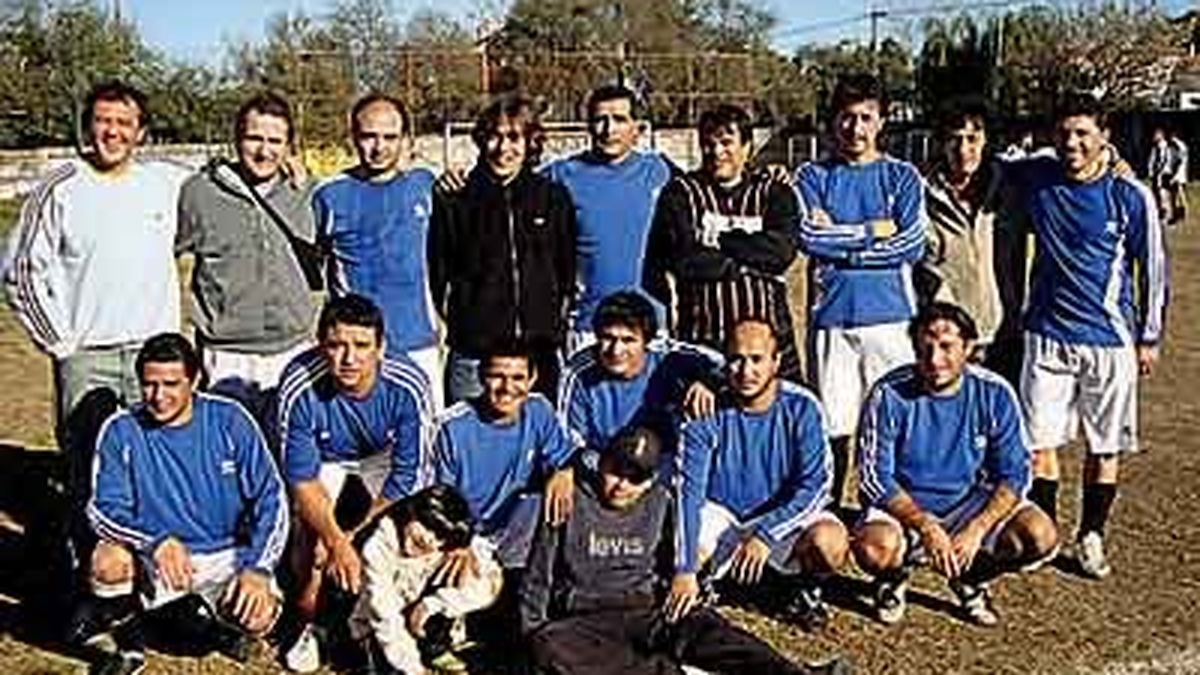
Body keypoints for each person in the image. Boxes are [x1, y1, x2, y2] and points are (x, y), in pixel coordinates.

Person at [521, 426, 845, 675]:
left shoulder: (661, 502)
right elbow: (538, 576)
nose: (621, 484)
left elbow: (672, 564)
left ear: (649, 481)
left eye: (635, 478)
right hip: (586, 619)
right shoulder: (568, 500)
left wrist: (683, 586)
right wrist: (531, 631)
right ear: (601, 462)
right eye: (615, 470)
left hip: (648, 610)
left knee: (713, 632)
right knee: (549, 647)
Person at [1014, 94, 1167, 580]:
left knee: (1104, 447)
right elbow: (986, 160)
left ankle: (1092, 537)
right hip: (1045, 334)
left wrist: (1150, 336)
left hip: (1108, 339)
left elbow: (1154, 270)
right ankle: (1045, 534)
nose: (1072, 142)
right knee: (1039, 443)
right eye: (1064, 133)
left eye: (1083, 132)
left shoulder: (1129, 195)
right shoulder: (1037, 176)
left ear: (1104, 136)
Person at [73, 333, 288, 674]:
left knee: (257, 617)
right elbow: (101, 510)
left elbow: (271, 498)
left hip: (227, 553)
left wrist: (259, 568)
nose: (158, 397)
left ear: (196, 379)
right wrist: (153, 540)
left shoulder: (230, 420)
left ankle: (206, 627)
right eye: (149, 385)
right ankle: (129, 640)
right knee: (107, 560)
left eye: (171, 384)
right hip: (157, 559)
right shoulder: (121, 430)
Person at [3, 80, 189, 449]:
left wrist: (289, 172)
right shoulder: (60, 189)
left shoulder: (168, 183)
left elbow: (232, 183)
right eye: (104, 121)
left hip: (152, 357)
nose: (113, 132)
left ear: (141, 132)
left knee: (158, 459)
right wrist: (60, 343)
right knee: (88, 461)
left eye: (124, 122)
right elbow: (19, 271)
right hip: (88, 358)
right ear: (89, 127)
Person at [853, 302, 1058, 626]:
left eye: (947, 346)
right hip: (905, 507)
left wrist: (977, 529)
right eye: (926, 347)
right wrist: (925, 525)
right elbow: (874, 478)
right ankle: (893, 578)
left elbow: (1015, 473)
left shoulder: (994, 392)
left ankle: (970, 578)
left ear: (968, 347)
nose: (935, 359)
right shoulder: (889, 393)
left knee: (1039, 535)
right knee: (875, 548)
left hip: (967, 503)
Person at [277, 294, 433, 672]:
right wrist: (330, 540)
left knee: (400, 534)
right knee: (310, 542)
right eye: (336, 345)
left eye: (361, 346)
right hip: (326, 456)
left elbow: (408, 475)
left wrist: (348, 538)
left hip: (382, 454)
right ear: (320, 344)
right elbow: (301, 479)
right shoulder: (299, 383)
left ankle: (393, 619)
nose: (348, 358)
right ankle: (310, 621)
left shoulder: (409, 383)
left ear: (380, 347)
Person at [794, 74, 926, 505]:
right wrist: (873, 232)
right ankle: (828, 511)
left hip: (891, 319)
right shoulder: (812, 175)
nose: (856, 128)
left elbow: (911, 243)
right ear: (833, 122)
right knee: (834, 425)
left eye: (866, 117)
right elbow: (810, 237)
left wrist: (846, 248)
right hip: (831, 318)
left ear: (882, 121)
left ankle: (884, 513)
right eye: (846, 118)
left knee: (891, 421)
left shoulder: (902, 176)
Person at [669, 318, 848, 632]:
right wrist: (684, 569)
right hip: (723, 512)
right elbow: (689, 492)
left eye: (756, 359)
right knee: (684, 551)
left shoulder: (803, 407)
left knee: (829, 543)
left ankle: (803, 588)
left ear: (776, 361)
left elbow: (817, 486)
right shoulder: (705, 407)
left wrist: (767, 533)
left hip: (778, 516)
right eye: (737, 359)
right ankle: (710, 583)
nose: (746, 371)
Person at [176, 92, 317, 426]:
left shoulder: (306, 192)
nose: (264, 150)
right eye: (254, 138)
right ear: (236, 139)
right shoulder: (199, 192)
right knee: (230, 455)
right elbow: (167, 254)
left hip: (291, 350)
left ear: (288, 146)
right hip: (226, 353)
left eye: (275, 141)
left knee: (288, 452)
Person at [429, 94, 576, 405]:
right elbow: (439, 272)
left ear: (530, 142)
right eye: (495, 137)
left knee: (537, 446)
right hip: (475, 353)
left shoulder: (552, 198)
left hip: (537, 352)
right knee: (470, 441)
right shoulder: (456, 200)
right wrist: (466, 320)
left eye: (514, 137)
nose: (504, 148)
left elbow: (565, 268)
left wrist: (548, 319)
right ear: (482, 141)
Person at [644, 103, 802, 381]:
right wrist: (749, 262)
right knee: (703, 419)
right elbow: (684, 260)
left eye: (727, 143)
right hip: (704, 341)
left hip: (768, 341)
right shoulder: (680, 193)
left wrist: (722, 241)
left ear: (747, 147)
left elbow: (781, 252)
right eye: (709, 143)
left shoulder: (774, 192)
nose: (717, 152)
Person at [312, 93, 443, 410]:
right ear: (353, 137)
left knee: (424, 443)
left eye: (390, 137)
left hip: (416, 342)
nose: (379, 146)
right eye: (369, 136)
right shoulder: (329, 195)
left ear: (407, 140)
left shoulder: (427, 186)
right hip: (355, 349)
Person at [542, 84, 675, 354]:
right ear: (588, 126)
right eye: (600, 119)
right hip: (589, 326)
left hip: (650, 324)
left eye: (619, 119)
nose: (608, 129)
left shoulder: (660, 171)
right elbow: (509, 187)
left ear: (636, 127)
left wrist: (769, 176)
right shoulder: (562, 175)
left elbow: (711, 185)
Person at [434, 343, 577, 569]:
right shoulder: (452, 427)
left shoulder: (539, 409)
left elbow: (565, 457)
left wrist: (565, 471)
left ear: (532, 379)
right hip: (465, 534)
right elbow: (440, 498)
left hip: (518, 529)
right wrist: (460, 541)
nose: (507, 387)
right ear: (481, 377)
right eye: (496, 376)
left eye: (518, 378)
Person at [918, 97, 1025, 384]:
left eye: (972, 139)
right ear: (941, 143)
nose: (964, 150)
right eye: (954, 140)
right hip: (947, 341)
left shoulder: (1011, 187)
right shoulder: (918, 192)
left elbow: (1064, 160)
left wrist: (1111, 158)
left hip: (1003, 335)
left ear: (987, 140)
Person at [349, 485, 503, 675]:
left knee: (461, 573)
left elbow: (489, 586)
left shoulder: (450, 547)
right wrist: (414, 669)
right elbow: (383, 613)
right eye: (427, 526)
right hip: (381, 626)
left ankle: (434, 647)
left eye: (440, 536)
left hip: (419, 618)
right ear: (413, 513)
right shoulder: (379, 543)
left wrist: (432, 605)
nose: (429, 540)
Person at [558, 290, 720, 467]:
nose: (616, 350)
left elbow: (721, 362)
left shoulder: (667, 356)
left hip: (665, 465)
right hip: (605, 468)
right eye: (608, 338)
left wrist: (707, 382)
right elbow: (569, 443)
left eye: (628, 340)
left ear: (646, 341)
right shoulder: (579, 372)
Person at [1146, 128, 1175, 225]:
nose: (1154, 137)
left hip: (1164, 174)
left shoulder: (1167, 148)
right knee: (1157, 195)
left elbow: (1167, 161)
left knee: (1164, 195)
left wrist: (1162, 171)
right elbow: (1152, 160)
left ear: (1161, 135)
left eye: (1156, 135)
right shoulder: (1155, 148)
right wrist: (1151, 171)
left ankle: (1168, 216)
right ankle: (1161, 215)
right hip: (1156, 175)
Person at [1168, 129, 1189, 225]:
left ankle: (1182, 213)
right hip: (1179, 173)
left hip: (1178, 174)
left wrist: (1174, 174)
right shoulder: (1181, 145)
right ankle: (1180, 213)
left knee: (1178, 194)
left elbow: (1179, 161)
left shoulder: (1178, 145)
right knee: (1178, 194)